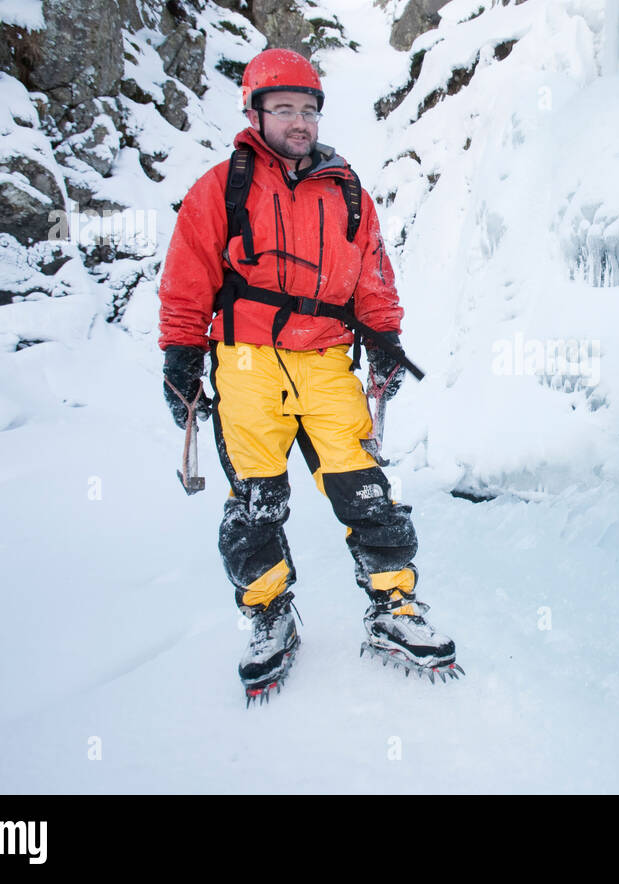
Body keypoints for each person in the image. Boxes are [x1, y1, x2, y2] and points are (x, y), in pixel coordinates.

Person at [157, 48, 458, 702]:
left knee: (366, 491)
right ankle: (269, 615)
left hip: (326, 362)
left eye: (308, 110)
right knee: (255, 501)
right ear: (256, 112)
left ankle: (395, 608)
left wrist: (384, 338)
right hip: (244, 365)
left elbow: (373, 275)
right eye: (284, 108)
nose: (299, 121)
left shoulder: (347, 189)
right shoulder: (221, 188)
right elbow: (187, 279)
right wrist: (180, 355)